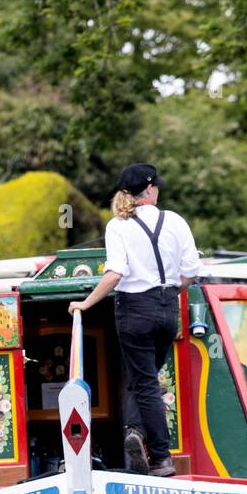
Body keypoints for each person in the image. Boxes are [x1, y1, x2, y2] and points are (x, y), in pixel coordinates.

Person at [68, 164, 201, 477]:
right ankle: (136, 433)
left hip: (135, 311)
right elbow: (191, 271)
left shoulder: (118, 226)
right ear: (150, 190)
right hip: (168, 310)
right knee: (146, 378)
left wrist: (86, 304)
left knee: (143, 382)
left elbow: (115, 272)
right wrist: (171, 291)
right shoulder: (176, 221)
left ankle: (160, 458)